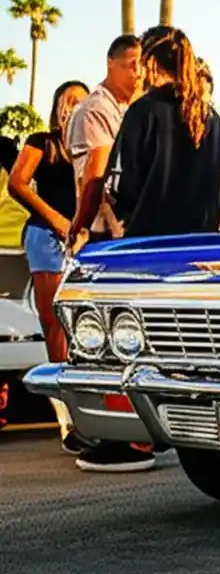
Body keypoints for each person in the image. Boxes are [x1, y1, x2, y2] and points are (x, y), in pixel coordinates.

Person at [7, 80, 88, 452]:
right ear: (56, 107)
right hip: (46, 235)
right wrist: (55, 218)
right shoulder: (42, 142)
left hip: (85, 240)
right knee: (54, 320)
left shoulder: (93, 146)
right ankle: (67, 421)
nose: (72, 106)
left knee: (84, 322)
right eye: (66, 100)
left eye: (80, 101)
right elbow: (17, 184)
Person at [108, 25, 220, 238]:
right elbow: (216, 187)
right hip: (200, 244)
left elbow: (120, 185)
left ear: (151, 62)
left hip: (148, 242)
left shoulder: (143, 111)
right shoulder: (210, 117)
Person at [66, 34, 143, 250]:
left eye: (141, 66)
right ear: (111, 63)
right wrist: (80, 227)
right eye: (131, 65)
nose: (137, 74)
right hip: (100, 231)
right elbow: (93, 178)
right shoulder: (94, 110)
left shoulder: (129, 109)